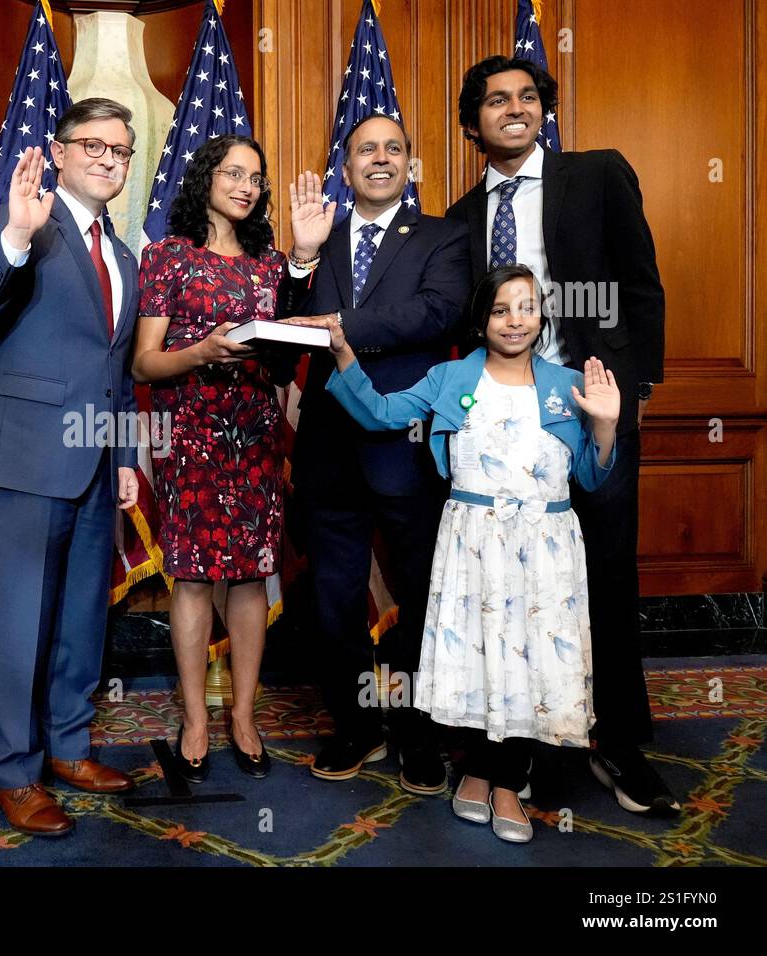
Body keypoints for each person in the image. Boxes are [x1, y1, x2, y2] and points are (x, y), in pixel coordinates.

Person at [296, 264, 619, 843]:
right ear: (481, 320)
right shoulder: (448, 378)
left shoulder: (568, 384)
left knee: (529, 663)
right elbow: (382, 414)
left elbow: (592, 481)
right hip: (472, 546)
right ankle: (474, 768)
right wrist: (343, 352)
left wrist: (605, 428)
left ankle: (507, 781)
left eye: (525, 307)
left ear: (541, 315)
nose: (514, 320)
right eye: (500, 309)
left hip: (543, 553)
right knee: (477, 656)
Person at [446, 55, 676, 815]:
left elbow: (641, 284)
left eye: (526, 96)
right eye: (495, 101)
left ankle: (617, 742)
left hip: (590, 404)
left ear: (540, 109)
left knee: (605, 573)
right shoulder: (458, 217)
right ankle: (524, 741)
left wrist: (630, 394)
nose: (514, 108)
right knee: (514, 588)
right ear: (472, 124)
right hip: (505, 420)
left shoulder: (598, 174)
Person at [0, 98, 142, 837]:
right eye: (92, 144)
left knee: (78, 624)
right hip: (26, 460)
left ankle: (68, 748)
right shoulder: (25, 223)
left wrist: (125, 456)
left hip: (97, 465)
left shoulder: (124, 255)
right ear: (60, 152)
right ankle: (13, 769)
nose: (106, 157)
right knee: (17, 626)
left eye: (121, 150)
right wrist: (12, 238)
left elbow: (119, 370)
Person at [280, 115, 470, 794]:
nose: (381, 158)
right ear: (347, 165)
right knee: (333, 599)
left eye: (394, 148)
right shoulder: (319, 239)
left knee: (422, 595)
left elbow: (436, 313)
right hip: (330, 447)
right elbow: (279, 333)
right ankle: (356, 724)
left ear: (410, 166)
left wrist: (336, 327)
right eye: (367, 150)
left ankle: (418, 732)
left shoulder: (444, 236)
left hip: (409, 444)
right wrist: (300, 263)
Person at [133, 135, 288, 781]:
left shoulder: (272, 265)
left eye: (256, 177)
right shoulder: (169, 257)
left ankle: (243, 714)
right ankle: (196, 716)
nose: (247, 186)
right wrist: (201, 353)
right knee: (194, 577)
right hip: (191, 437)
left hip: (255, 435)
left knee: (250, 576)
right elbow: (145, 360)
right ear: (206, 179)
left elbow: (287, 353)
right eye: (234, 173)